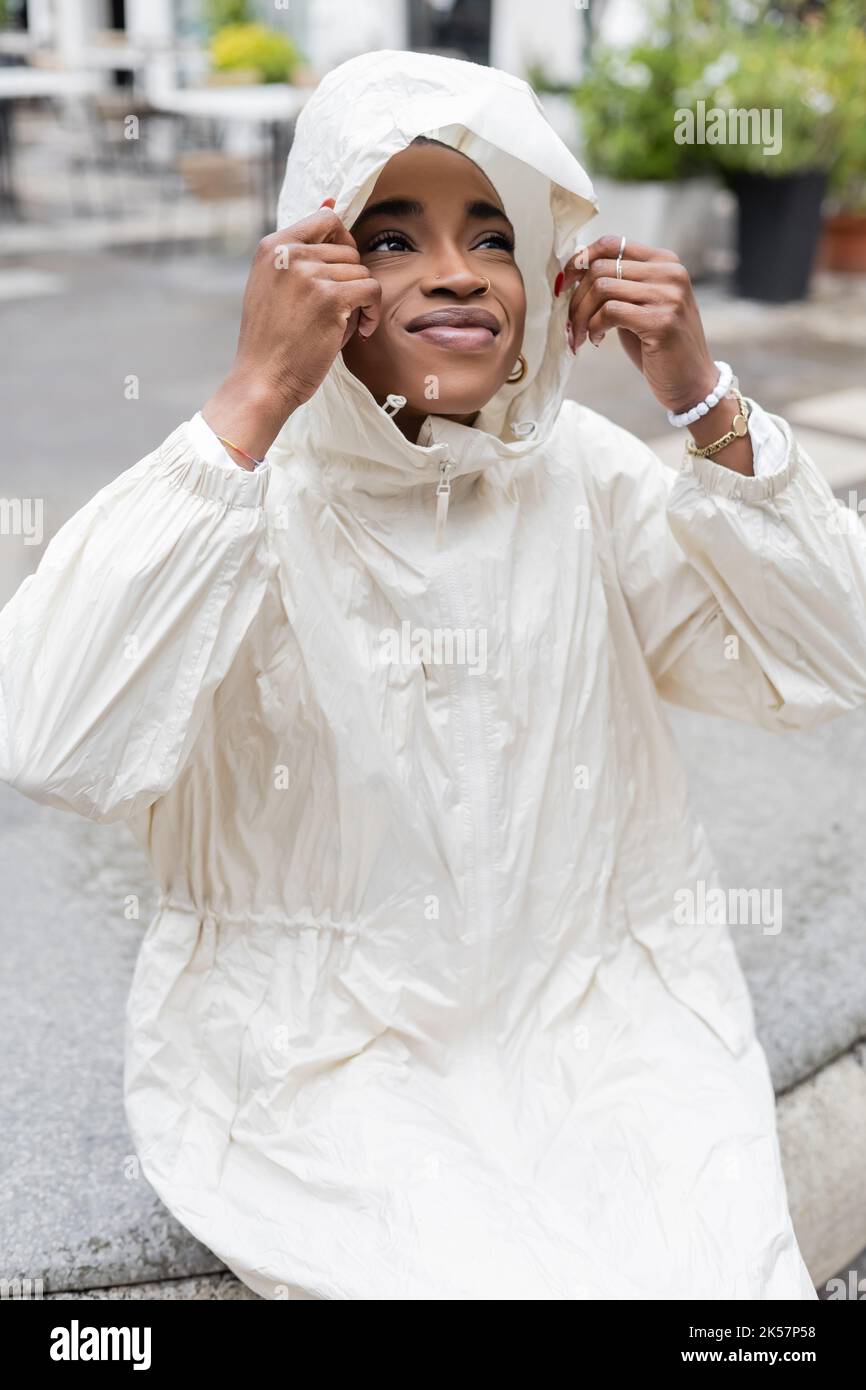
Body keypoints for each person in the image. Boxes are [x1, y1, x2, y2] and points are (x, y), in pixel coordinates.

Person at [2, 49, 866, 1301]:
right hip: (317, 1052)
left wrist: (701, 399)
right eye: (390, 235)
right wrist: (251, 399)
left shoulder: (577, 473)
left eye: (490, 234)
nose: (456, 271)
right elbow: (49, 734)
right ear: (310, 266)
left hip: (603, 1014)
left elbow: (828, 657)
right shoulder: (240, 493)